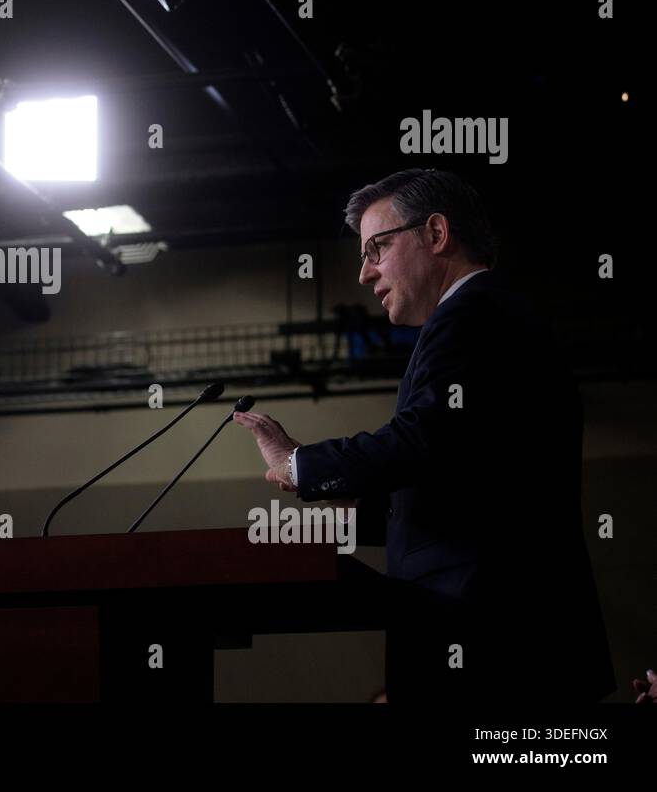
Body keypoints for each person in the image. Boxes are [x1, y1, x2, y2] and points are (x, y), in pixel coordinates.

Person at [235, 168, 614, 704]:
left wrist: (303, 464)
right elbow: (460, 480)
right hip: (506, 643)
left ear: (436, 234)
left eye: (376, 249)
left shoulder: (472, 313)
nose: (365, 274)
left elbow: (423, 439)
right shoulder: (481, 315)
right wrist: (339, 505)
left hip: (498, 647)